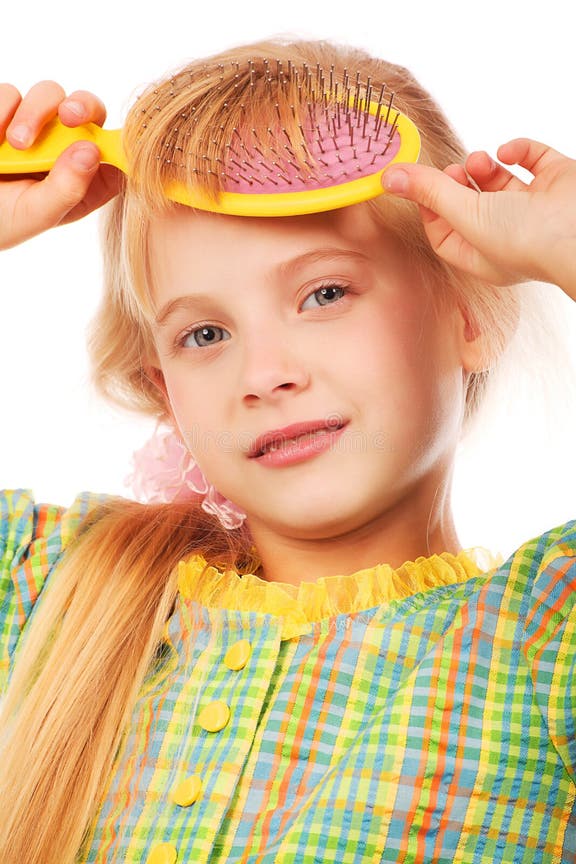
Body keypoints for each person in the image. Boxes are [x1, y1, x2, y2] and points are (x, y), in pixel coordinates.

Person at [0, 39, 575, 864]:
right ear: (167, 391)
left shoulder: (544, 645)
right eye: (204, 333)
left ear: (469, 315)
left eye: (325, 293)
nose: (264, 375)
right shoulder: (52, 590)